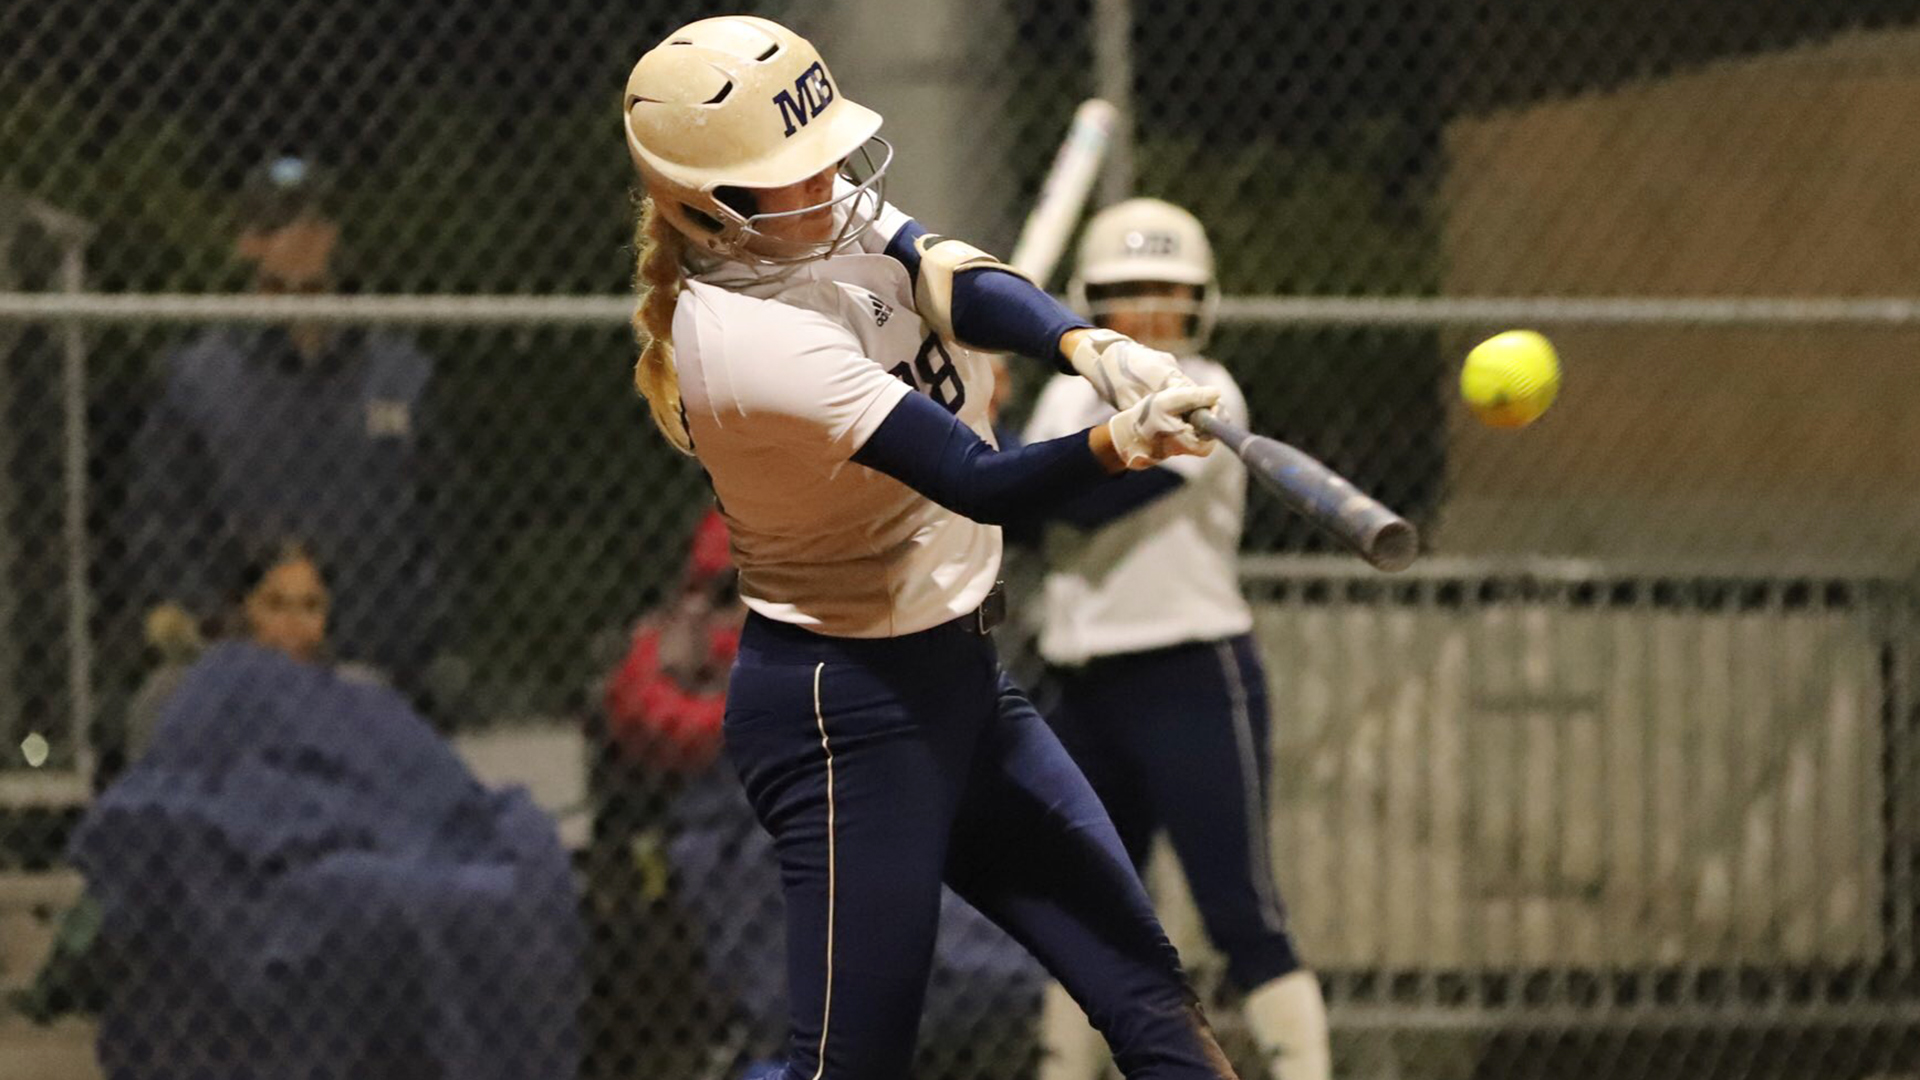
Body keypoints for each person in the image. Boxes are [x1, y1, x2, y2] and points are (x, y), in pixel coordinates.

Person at [621, 16, 1239, 1080]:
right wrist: (1115, 441)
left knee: (1142, 984)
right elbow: (976, 480)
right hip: (844, 708)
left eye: (823, 160)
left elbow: (946, 270)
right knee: (848, 1067)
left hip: (960, 676)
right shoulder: (744, 339)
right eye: (789, 176)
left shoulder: (804, 213)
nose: (826, 185)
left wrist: (1084, 344)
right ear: (706, 209)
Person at [1023, 200, 1331, 1080]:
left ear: (1201, 302)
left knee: (1239, 912)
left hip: (1191, 675)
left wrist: (992, 450)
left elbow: (1073, 498)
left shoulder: (1208, 393)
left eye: (1169, 290)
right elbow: (1014, 508)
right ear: (1089, 299)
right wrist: (979, 426)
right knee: (1084, 909)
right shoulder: (1062, 396)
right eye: (1127, 291)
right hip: (1082, 686)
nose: (1150, 310)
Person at [120, 154, 443, 724]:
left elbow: (436, 524)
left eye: (312, 223)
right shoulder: (197, 380)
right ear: (248, 244)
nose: (299, 240)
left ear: (333, 236)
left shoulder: (399, 375)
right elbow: (160, 522)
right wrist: (219, 629)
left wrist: (408, 638)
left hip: (371, 668)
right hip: (235, 673)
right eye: (277, 226)